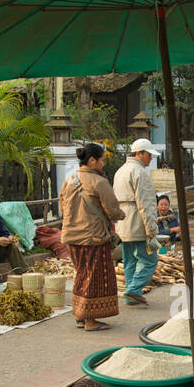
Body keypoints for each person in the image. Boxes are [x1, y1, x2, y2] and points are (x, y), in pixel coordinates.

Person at [59, 142, 125, 331]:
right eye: (102, 160)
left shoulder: (70, 178)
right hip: (93, 238)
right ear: (92, 160)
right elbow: (112, 210)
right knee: (95, 278)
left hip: (71, 237)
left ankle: (80, 316)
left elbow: (62, 205)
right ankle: (90, 320)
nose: (103, 164)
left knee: (82, 275)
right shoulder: (99, 182)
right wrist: (122, 214)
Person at [113, 138, 160, 308]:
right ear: (139, 153)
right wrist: (151, 229)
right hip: (137, 222)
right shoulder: (139, 173)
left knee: (130, 260)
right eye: (149, 155)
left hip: (123, 223)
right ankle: (133, 290)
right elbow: (146, 204)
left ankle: (131, 293)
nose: (150, 159)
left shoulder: (120, 171)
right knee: (150, 260)